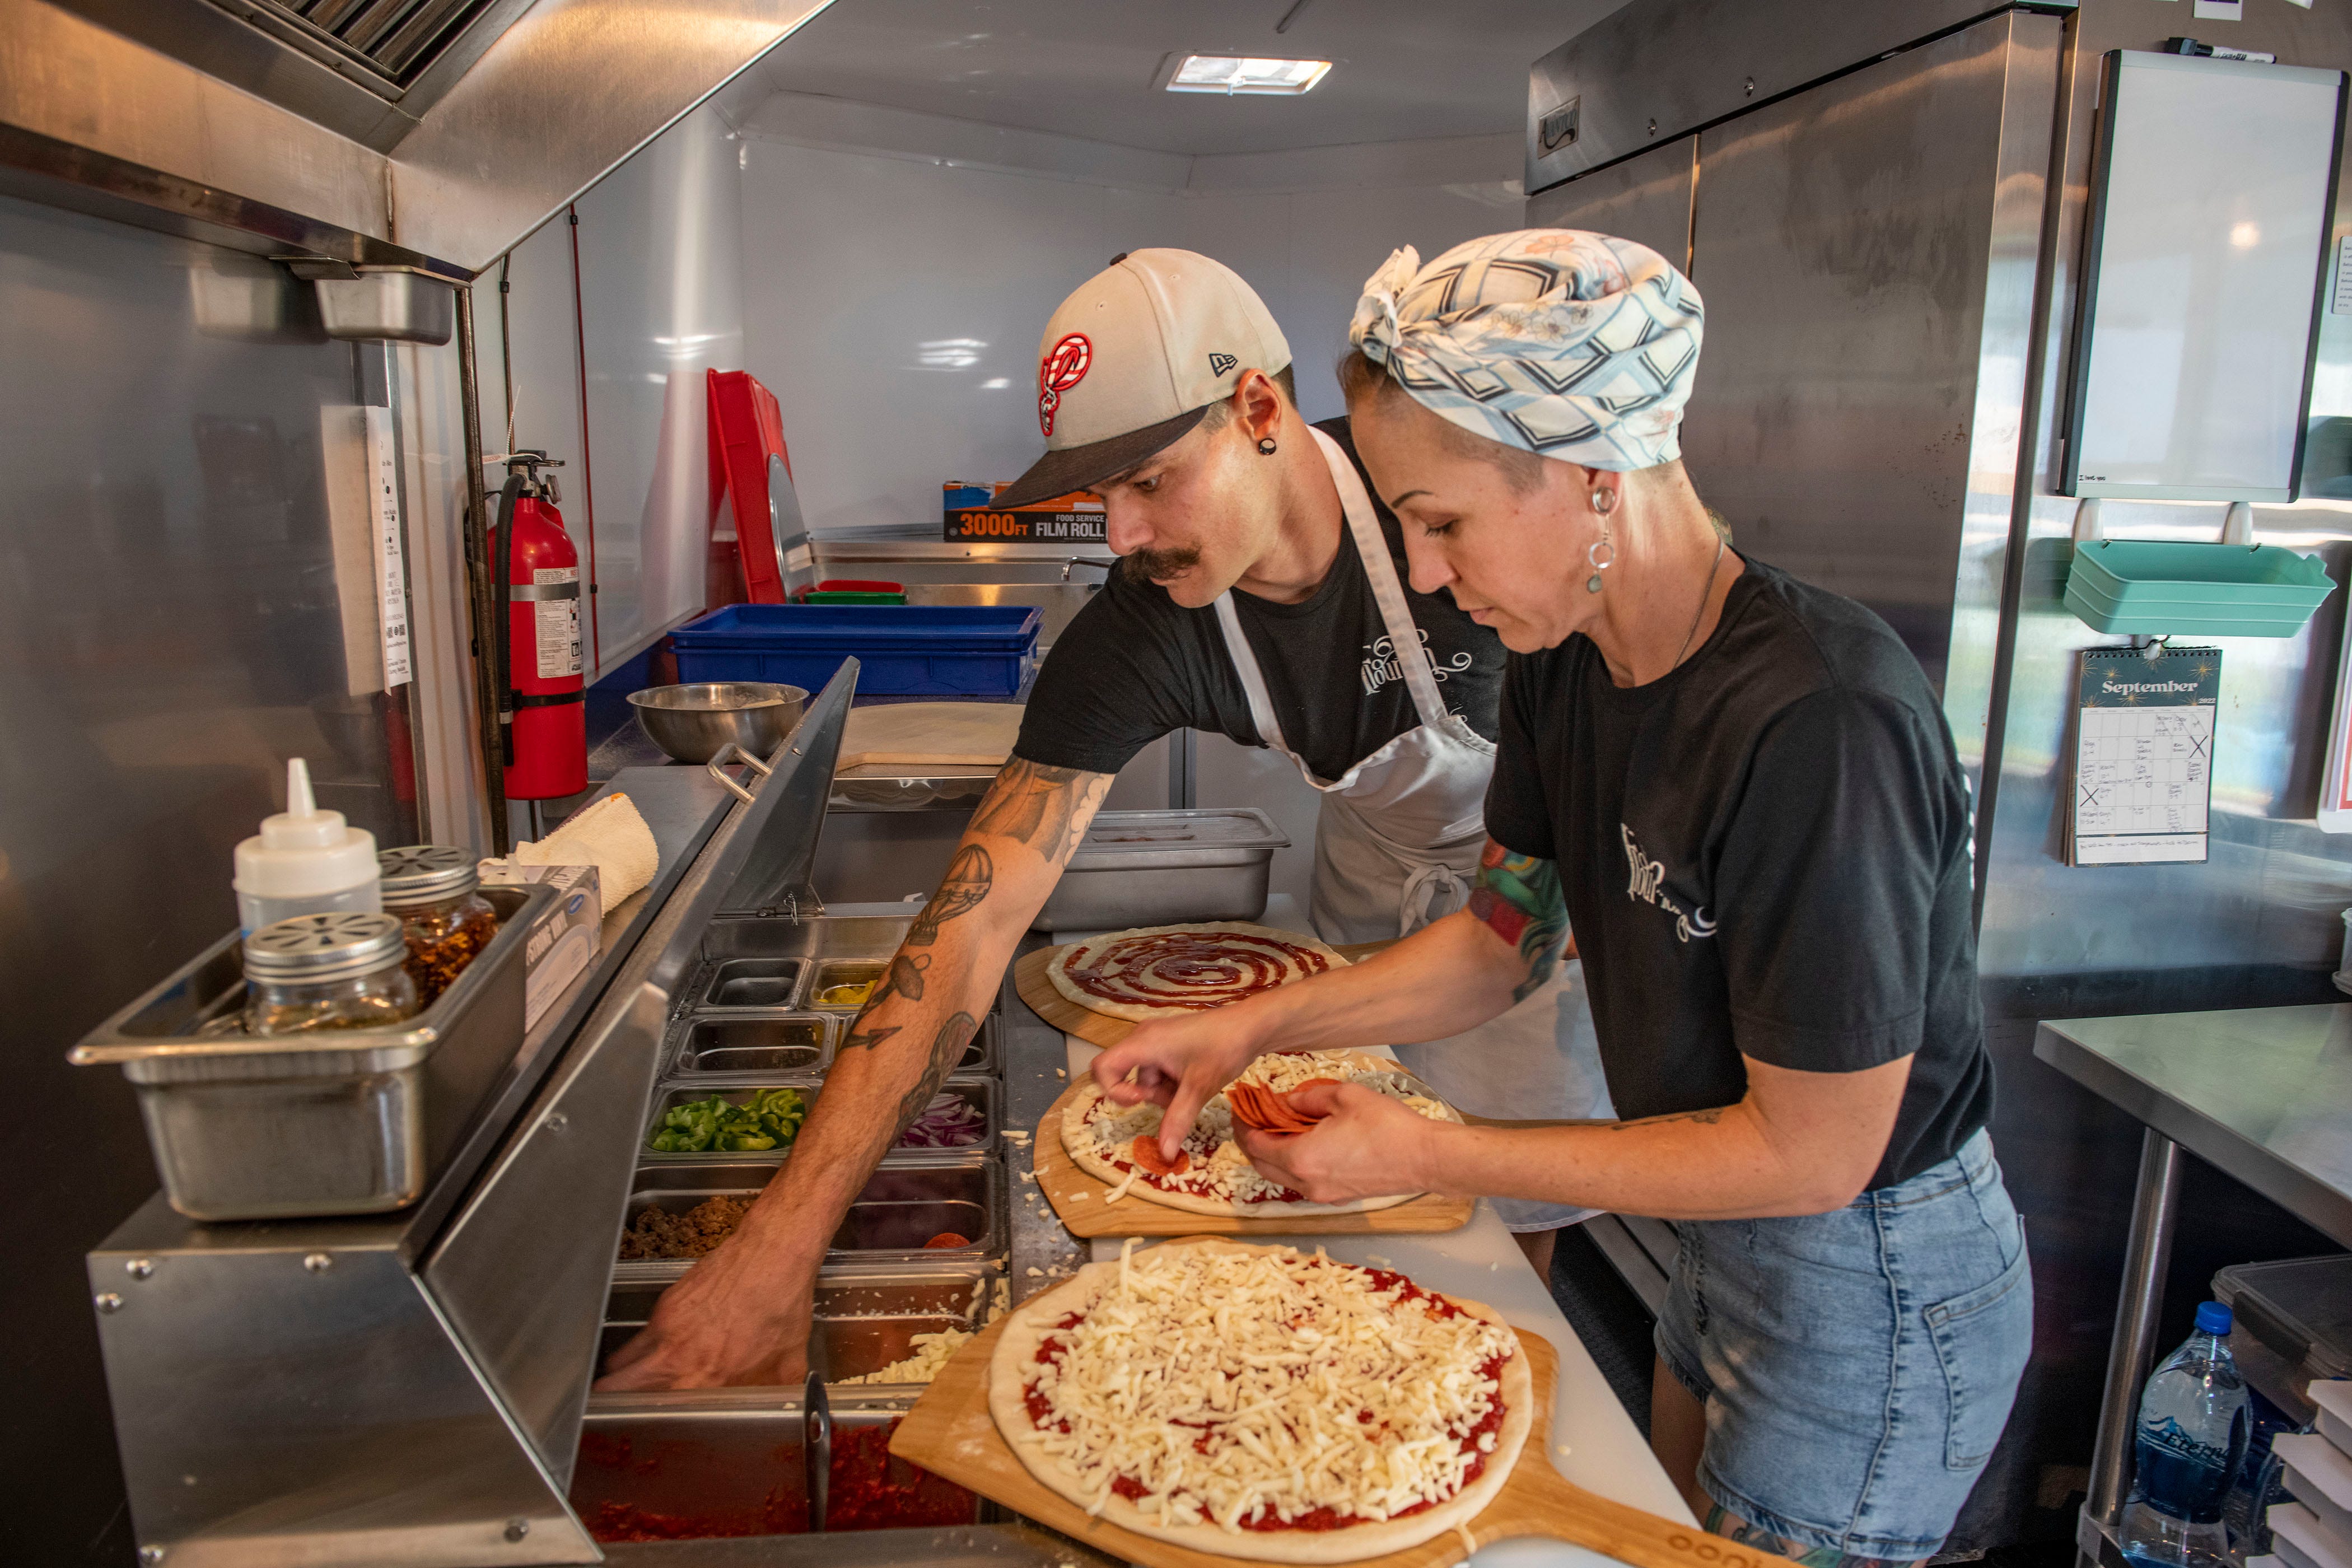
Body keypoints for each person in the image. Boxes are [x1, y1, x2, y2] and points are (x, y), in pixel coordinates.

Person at [1089, 231, 2032, 1564]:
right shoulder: (1567, 660)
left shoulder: (1820, 722)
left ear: (1593, 477)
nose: (1422, 575)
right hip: (1725, 1231)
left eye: (1443, 522)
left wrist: (1431, 1149)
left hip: (1868, 1278)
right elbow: (1498, 946)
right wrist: (1254, 1026)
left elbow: (1815, 1150)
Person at [598, 248, 1609, 1394]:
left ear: (1259, 409)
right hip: (1375, 875)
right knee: (1352, 1199)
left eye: (1150, 480)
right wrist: (777, 1244)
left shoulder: (1445, 511)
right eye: (1099, 494)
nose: (1120, 533)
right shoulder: (1143, 626)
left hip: (1538, 887)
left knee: (1506, 1237)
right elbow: (968, 933)